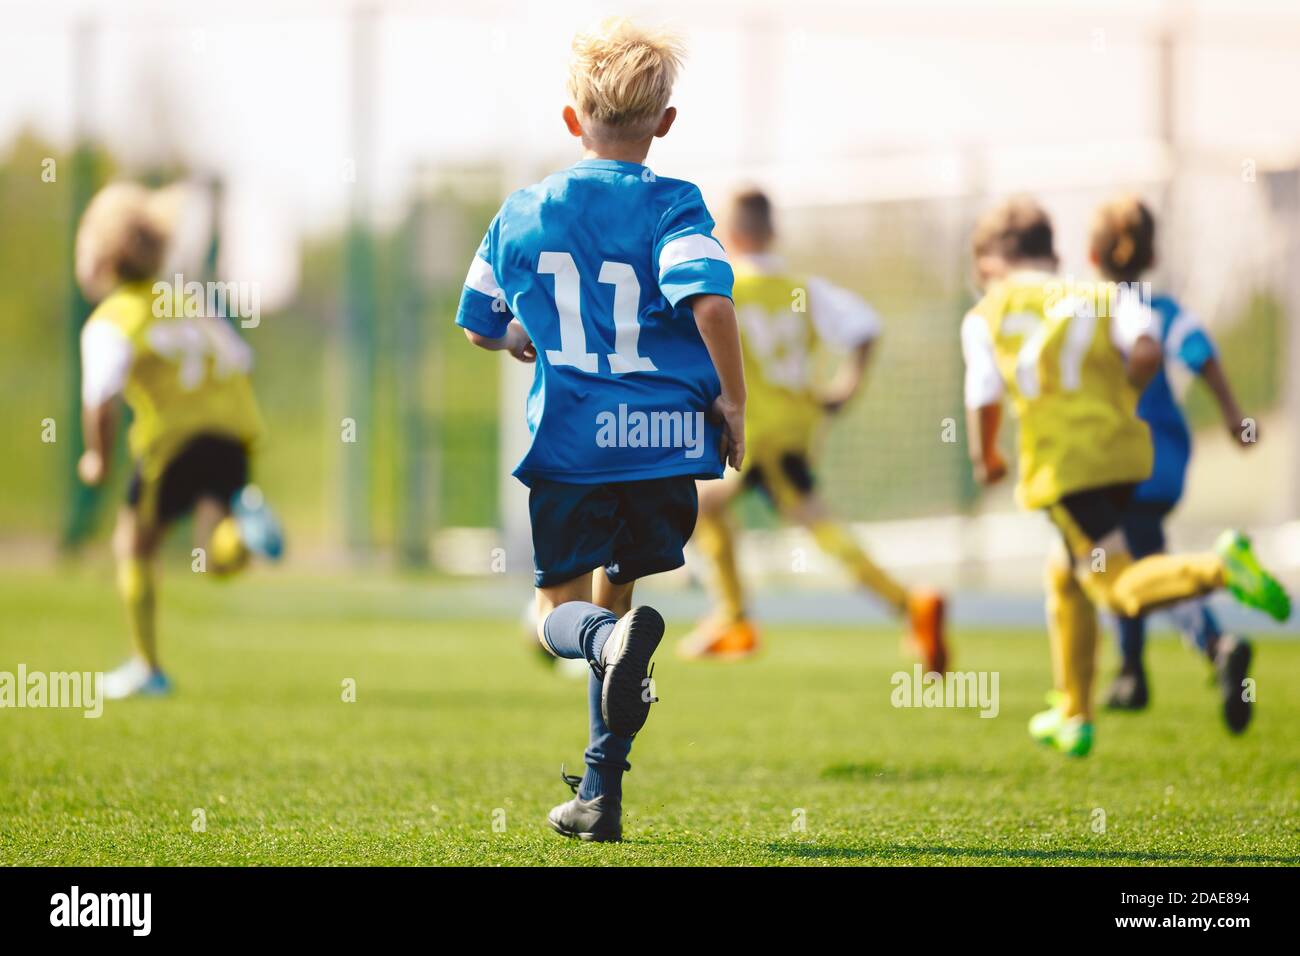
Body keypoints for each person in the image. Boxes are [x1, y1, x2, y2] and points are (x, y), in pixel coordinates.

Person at [455, 19, 745, 840]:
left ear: (571, 121)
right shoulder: (674, 204)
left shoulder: (521, 211)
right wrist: (733, 402)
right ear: (665, 123)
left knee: (559, 618)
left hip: (574, 444)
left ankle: (603, 643)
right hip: (657, 444)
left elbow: (480, 322)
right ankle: (598, 797)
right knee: (620, 603)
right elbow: (711, 300)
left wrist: (521, 338)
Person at [960, 196, 1288, 756]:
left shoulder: (988, 313)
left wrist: (985, 456)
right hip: (1131, 458)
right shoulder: (1103, 296)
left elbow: (984, 394)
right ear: (1056, 252)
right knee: (1066, 574)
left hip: (1066, 467)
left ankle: (1221, 569)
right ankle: (1076, 711)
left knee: (1116, 584)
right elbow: (1147, 349)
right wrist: (1125, 395)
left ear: (989, 265)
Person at [678, 187, 947, 674]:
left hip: (752, 430)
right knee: (724, 510)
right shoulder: (804, 288)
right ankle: (737, 616)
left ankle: (908, 605)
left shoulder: (722, 287)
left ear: (730, 235)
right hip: (799, 427)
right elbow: (866, 325)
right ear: (772, 231)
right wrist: (845, 386)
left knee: (702, 505)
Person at [76, 182, 283, 700]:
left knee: (134, 542)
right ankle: (244, 532)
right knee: (215, 555)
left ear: (100, 257)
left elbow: (99, 399)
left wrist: (97, 459)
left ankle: (148, 667)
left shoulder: (111, 319)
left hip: (173, 442)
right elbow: (241, 359)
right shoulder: (185, 299)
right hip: (233, 430)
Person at [1088, 195, 1256, 732]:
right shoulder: (1166, 313)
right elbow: (1201, 352)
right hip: (1168, 462)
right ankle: (1132, 673)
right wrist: (1233, 416)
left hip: (1122, 460)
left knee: (1127, 565)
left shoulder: (1092, 314)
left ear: (1093, 258)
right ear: (1153, 256)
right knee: (1136, 556)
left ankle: (1214, 643)